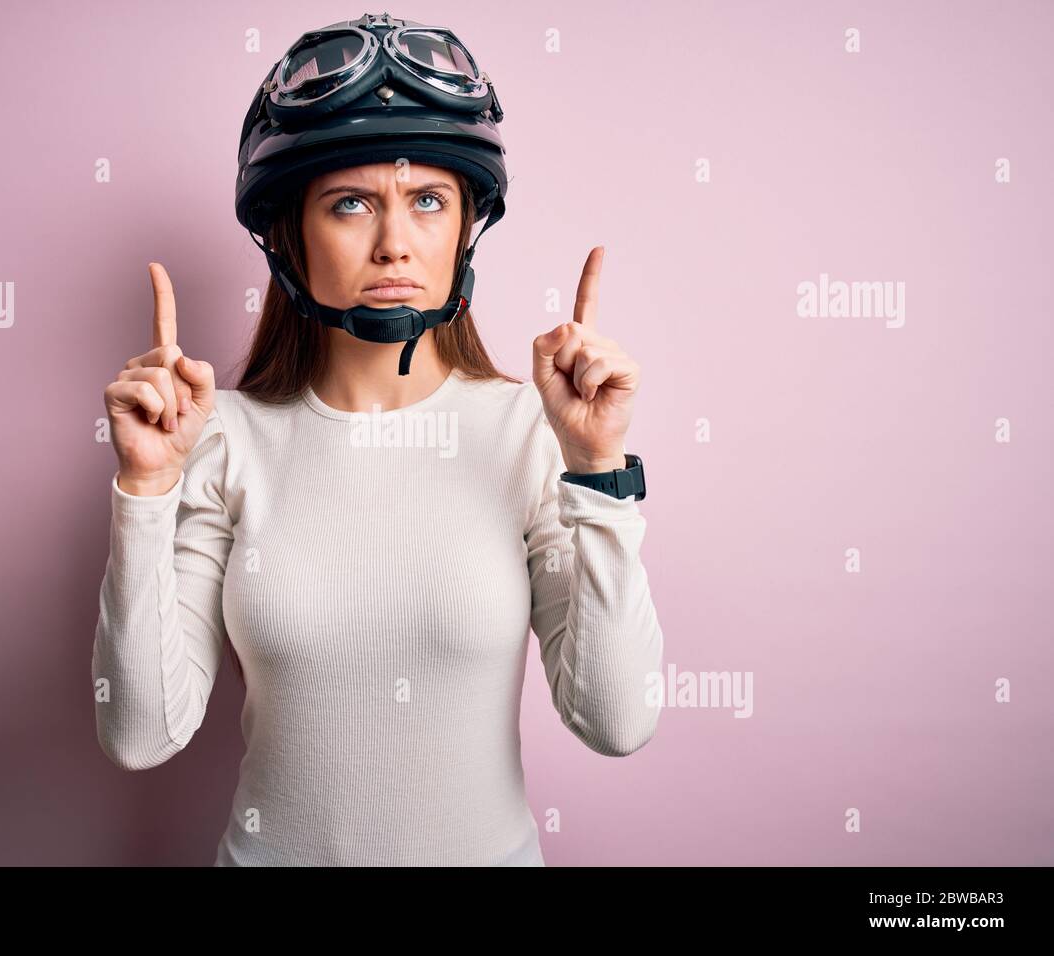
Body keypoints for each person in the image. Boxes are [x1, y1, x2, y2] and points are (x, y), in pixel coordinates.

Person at [92, 12, 663, 866]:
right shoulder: (222, 441)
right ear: (290, 235)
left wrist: (597, 470)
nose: (395, 242)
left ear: (466, 226)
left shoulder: (530, 434)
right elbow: (140, 736)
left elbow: (618, 722)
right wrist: (145, 490)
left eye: (427, 200)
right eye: (351, 203)